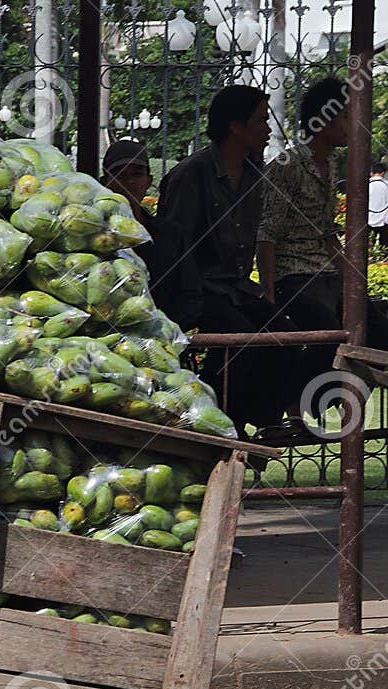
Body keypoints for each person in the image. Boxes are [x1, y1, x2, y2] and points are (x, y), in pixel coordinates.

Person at [157, 84, 304, 435]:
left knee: (288, 337)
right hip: (196, 288)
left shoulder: (254, 176)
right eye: (261, 121)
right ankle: (214, 418)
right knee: (241, 340)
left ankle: (257, 418)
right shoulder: (191, 175)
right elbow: (174, 250)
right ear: (236, 127)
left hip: (234, 287)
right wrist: (189, 301)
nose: (269, 129)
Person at [259, 78, 388, 364]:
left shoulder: (329, 165)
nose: (351, 124)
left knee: (378, 329)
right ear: (324, 119)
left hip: (326, 275)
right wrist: (268, 290)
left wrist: (355, 281)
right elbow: (267, 232)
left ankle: (345, 394)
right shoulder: (289, 166)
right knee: (326, 337)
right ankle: (296, 400)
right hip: (293, 276)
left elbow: (328, 235)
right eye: (345, 116)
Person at [102, 137, 200, 329]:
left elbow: (191, 295)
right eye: (120, 175)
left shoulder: (172, 235)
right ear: (105, 182)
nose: (129, 182)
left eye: (136, 175)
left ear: (148, 181)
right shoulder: (94, 236)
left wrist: (159, 329)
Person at [368, 160, 388, 258]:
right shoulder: (386, 185)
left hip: (367, 218)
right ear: (383, 173)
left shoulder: (365, 185)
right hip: (384, 219)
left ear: (372, 172)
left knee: (367, 240)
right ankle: (382, 257)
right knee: (384, 242)